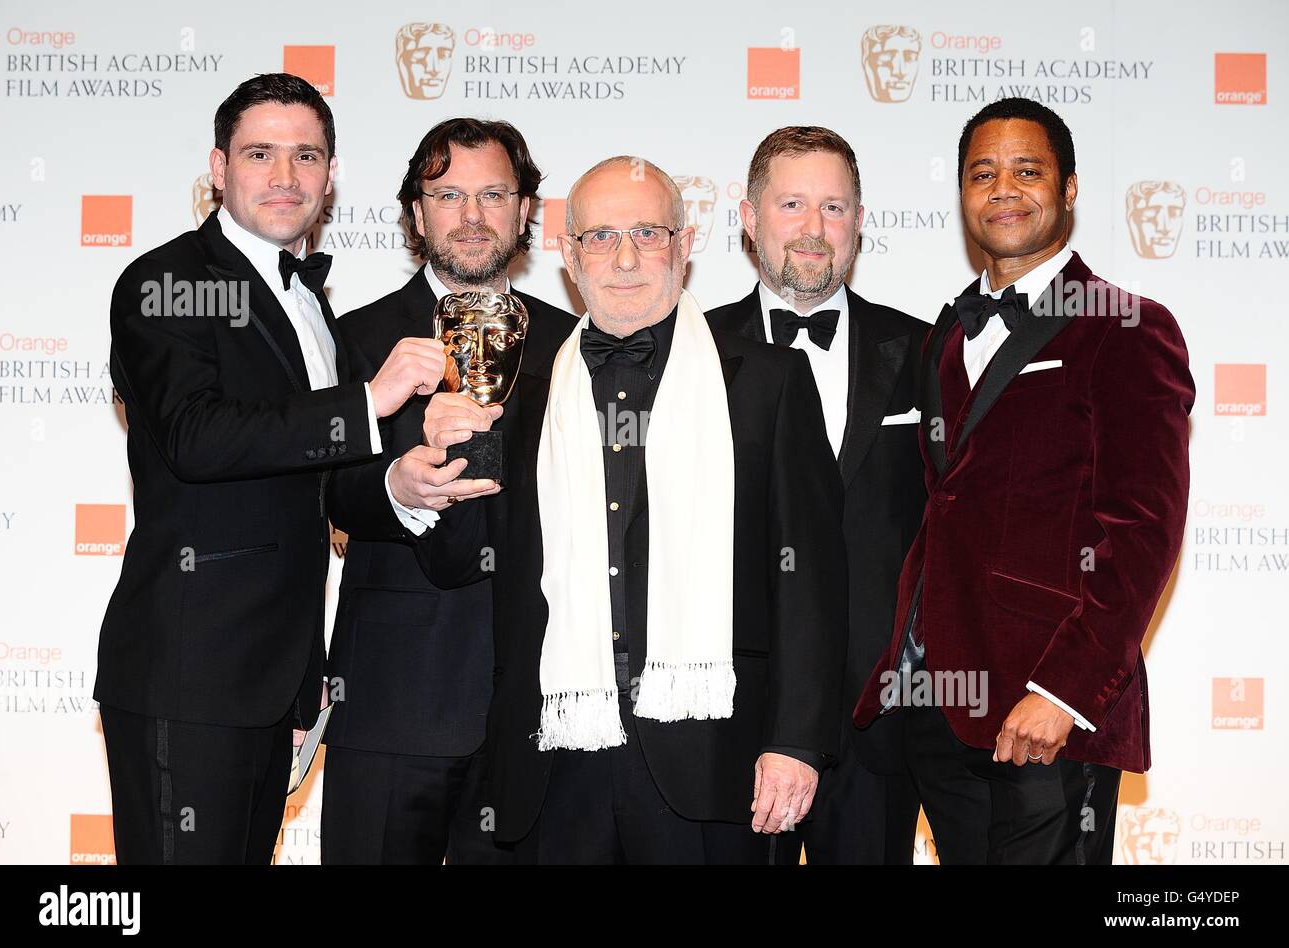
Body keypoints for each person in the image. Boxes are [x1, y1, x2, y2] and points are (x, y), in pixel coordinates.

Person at [419, 155, 847, 864]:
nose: (623, 259)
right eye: (599, 237)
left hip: (713, 754)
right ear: (566, 254)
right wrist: (437, 470)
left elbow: (812, 583)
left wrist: (796, 743)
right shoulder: (515, 395)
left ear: (683, 246)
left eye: (648, 234)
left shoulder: (768, 383)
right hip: (557, 757)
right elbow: (461, 558)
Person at [95, 73, 443, 864]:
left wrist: (406, 484)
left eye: (307, 156)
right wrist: (368, 400)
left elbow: (305, 490)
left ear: (329, 174)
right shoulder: (168, 280)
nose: (286, 177)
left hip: (277, 679)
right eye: (261, 154)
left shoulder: (313, 305)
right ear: (218, 168)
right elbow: (196, 436)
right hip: (190, 673)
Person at [853, 98, 1194, 864]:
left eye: (1027, 170)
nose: (1003, 188)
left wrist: (1062, 691)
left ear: (1069, 188)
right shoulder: (945, 334)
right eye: (983, 174)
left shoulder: (1127, 325)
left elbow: (1144, 528)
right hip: (939, 712)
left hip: (1047, 711)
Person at [321, 118, 576, 864]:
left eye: (494, 193)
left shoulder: (576, 345)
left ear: (526, 210)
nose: (471, 216)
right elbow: (325, 491)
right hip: (392, 700)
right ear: (415, 213)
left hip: (535, 710)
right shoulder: (355, 339)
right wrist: (396, 485)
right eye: (448, 194)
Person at [708, 126, 928, 864]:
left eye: (834, 208)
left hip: (883, 725)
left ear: (861, 222)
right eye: (792, 203)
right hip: (734, 719)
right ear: (747, 216)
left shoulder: (926, 354)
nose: (813, 229)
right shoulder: (692, 354)